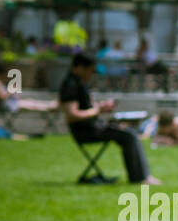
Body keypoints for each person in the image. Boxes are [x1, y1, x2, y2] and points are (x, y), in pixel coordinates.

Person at [60, 53, 158, 185]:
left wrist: (101, 107)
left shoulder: (79, 83)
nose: (91, 74)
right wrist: (97, 111)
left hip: (93, 127)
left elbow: (89, 108)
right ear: (80, 67)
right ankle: (140, 178)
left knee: (128, 132)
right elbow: (72, 115)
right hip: (86, 131)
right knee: (129, 135)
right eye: (90, 71)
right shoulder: (70, 85)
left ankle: (141, 177)